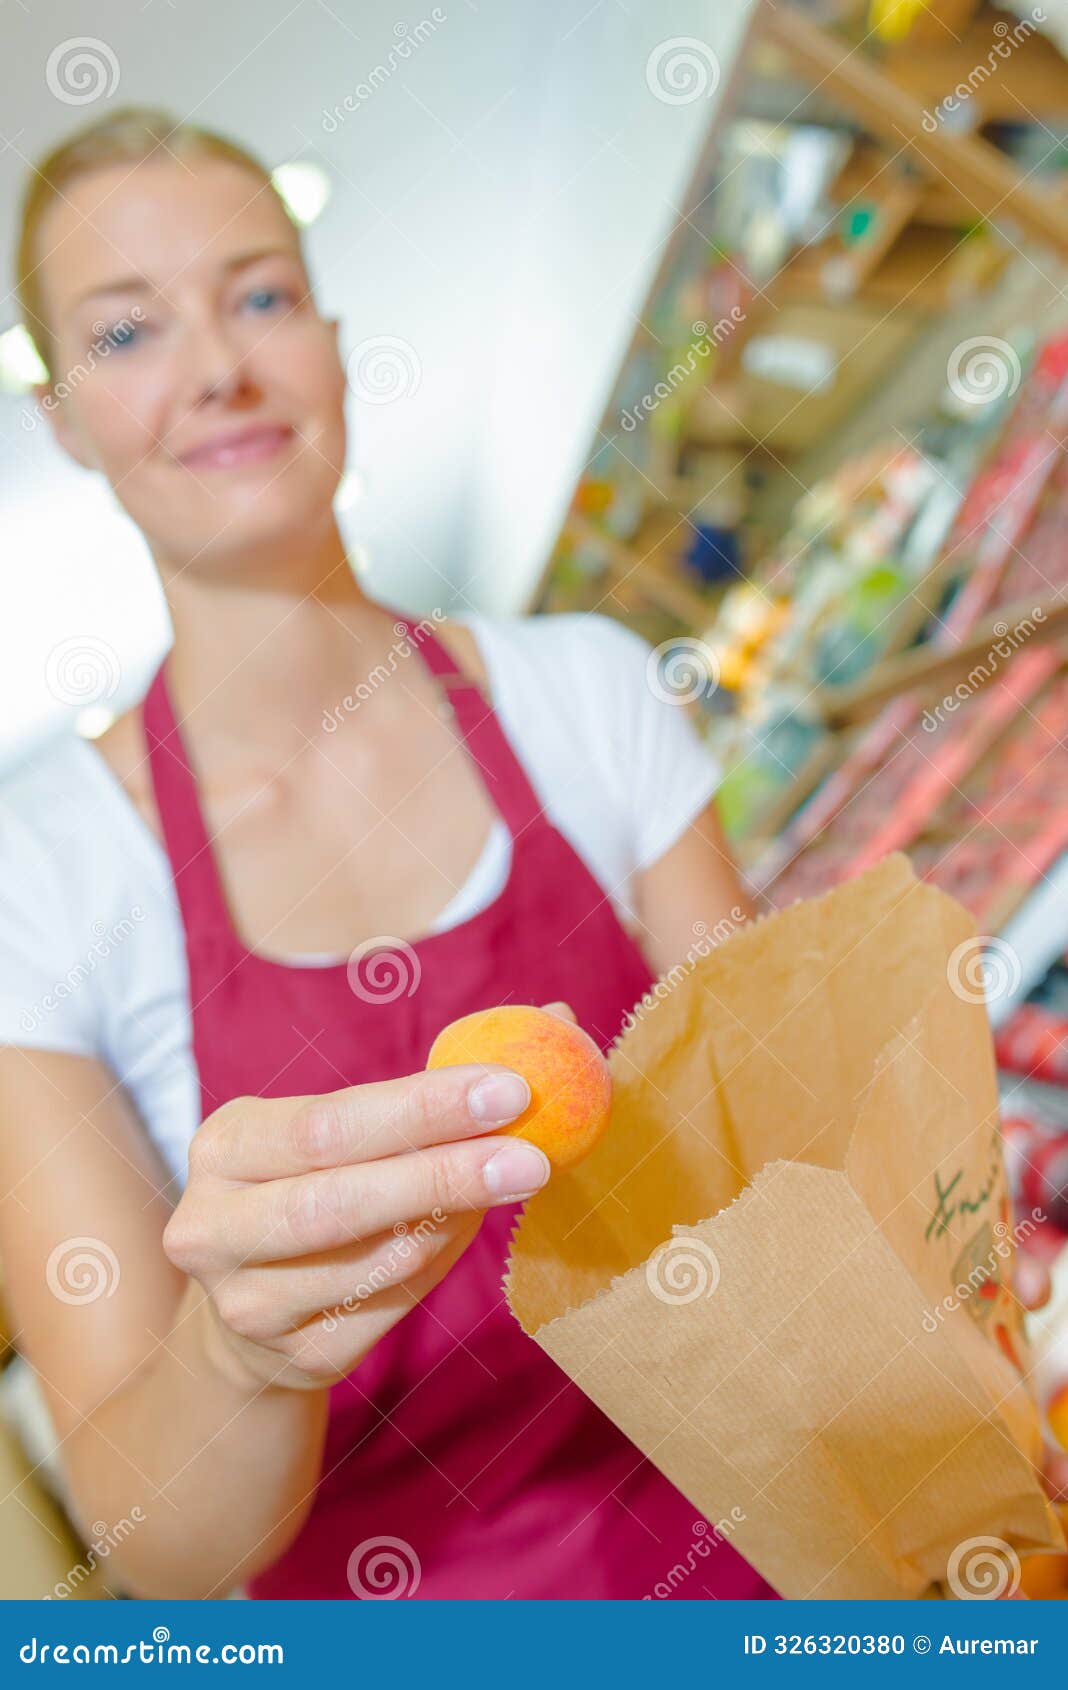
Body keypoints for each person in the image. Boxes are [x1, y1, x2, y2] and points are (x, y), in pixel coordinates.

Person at [0, 108, 774, 1599]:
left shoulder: (585, 693)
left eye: (262, 295)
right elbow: (158, 1537)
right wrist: (239, 1349)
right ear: (61, 421)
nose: (219, 365)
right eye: (125, 332)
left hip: (779, 1549)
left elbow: (797, 1145)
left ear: (335, 341)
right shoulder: (38, 879)